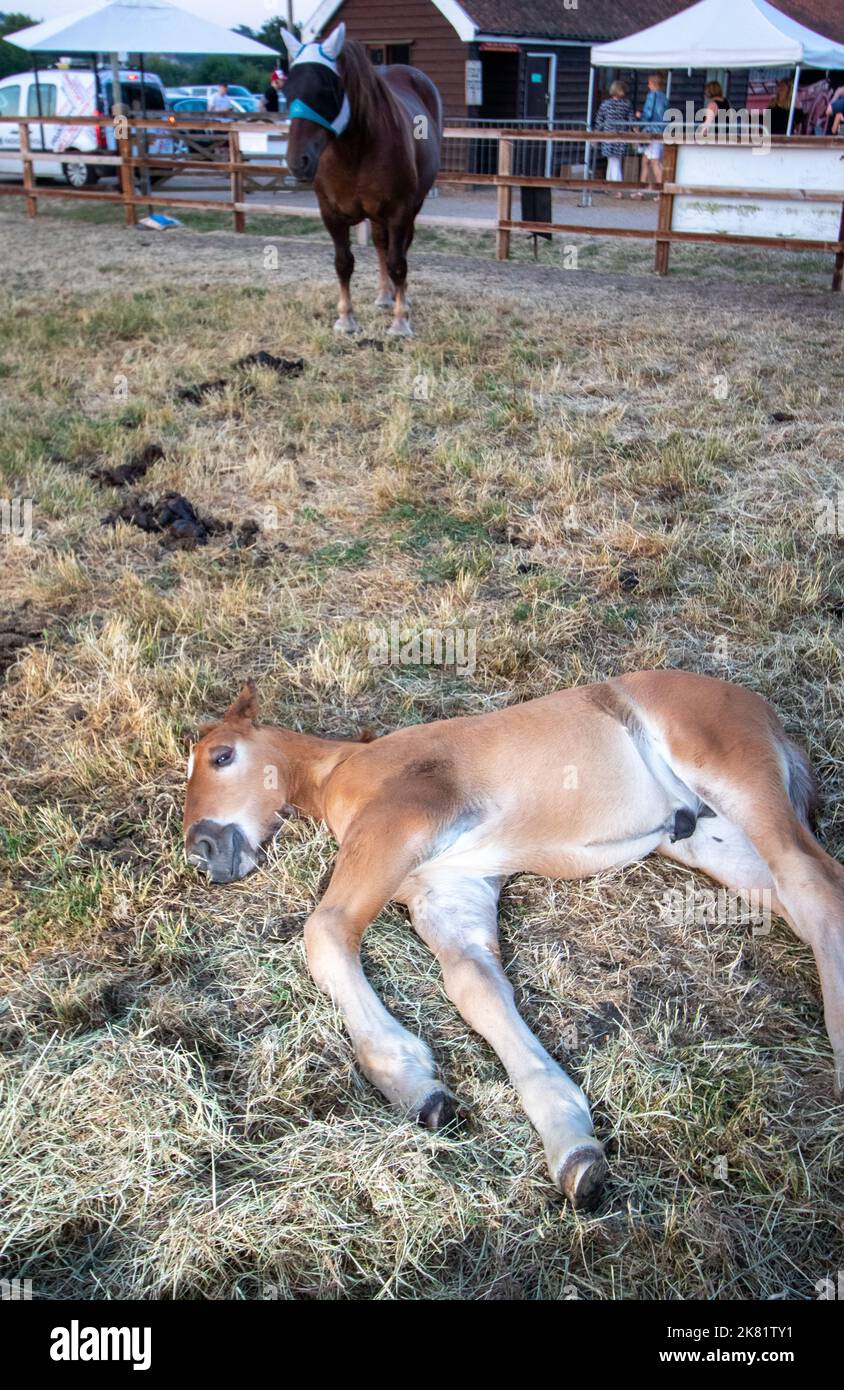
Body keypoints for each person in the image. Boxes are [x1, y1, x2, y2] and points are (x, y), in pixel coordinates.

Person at [595, 80, 634, 196]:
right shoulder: (627, 104)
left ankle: (616, 188)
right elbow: (631, 121)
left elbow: (599, 120)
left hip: (608, 136)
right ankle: (610, 185)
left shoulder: (605, 104)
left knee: (612, 161)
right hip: (621, 136)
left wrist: (597, 134)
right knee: (615, 161)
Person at [634, 72, 667, 198]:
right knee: (646, 161)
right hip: (661, 130)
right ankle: (640, 190)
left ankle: (661, 191)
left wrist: (639, 117)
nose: (648, 85)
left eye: (649, 83)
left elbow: (648, 113)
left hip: (652, 131)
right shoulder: (664, 97)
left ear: (653, 84)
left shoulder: (651, 96)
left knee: (654, 162)